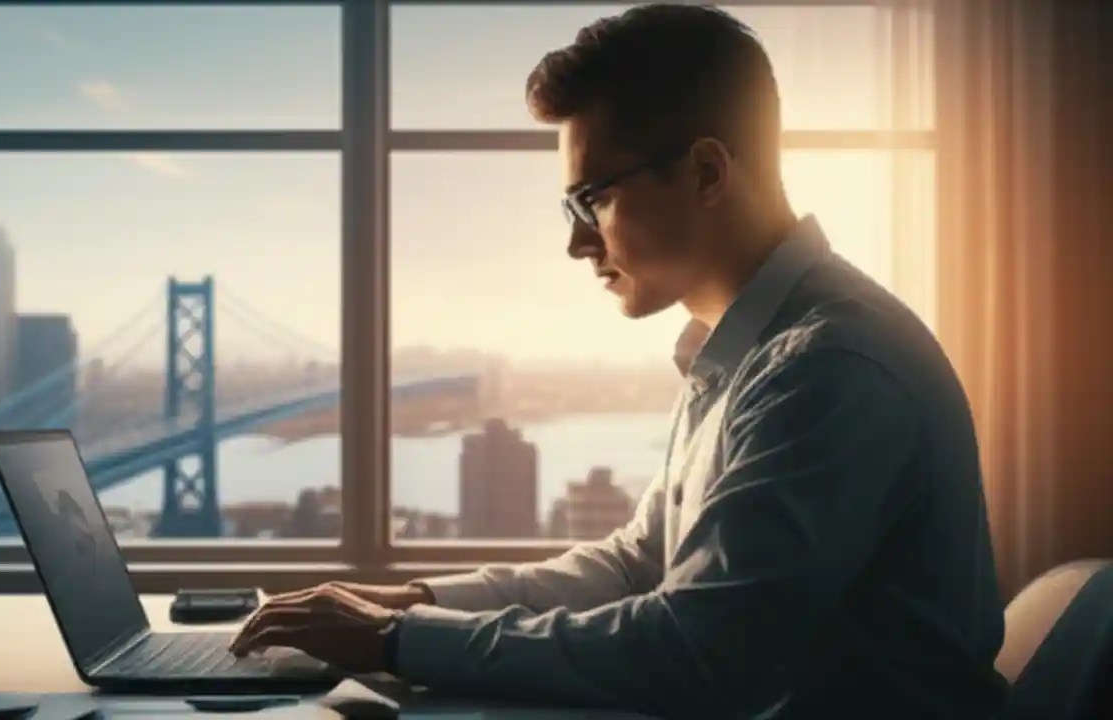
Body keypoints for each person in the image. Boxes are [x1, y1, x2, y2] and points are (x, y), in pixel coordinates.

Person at [230, 5, 1007, 718]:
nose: (576, 243)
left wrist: (398, 639)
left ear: (706, 173)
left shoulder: (827, 367)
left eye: (591, 199)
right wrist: (412, 601)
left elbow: (697, 652)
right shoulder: (744, 353)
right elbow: (641, 564)